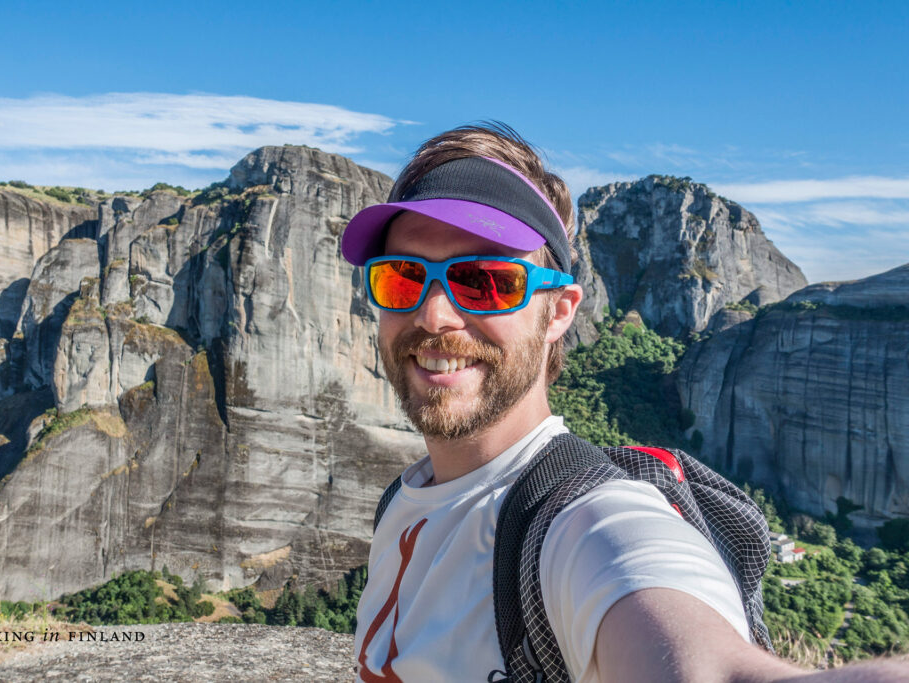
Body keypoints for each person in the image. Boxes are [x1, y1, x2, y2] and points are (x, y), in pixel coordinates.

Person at [341, 123, 907, 682]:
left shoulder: (583, 522)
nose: (434, 314)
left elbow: (704, 660)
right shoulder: (405, 501)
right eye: (401, 277)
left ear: (559, 312)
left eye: (485, 281)